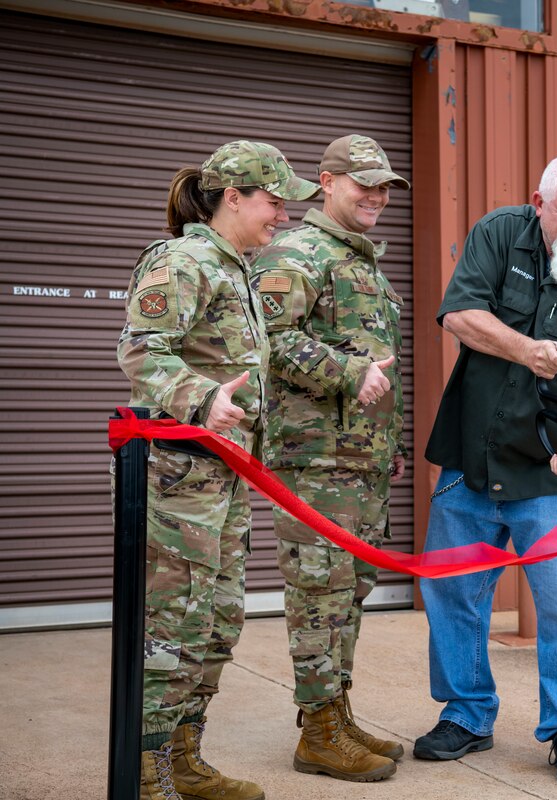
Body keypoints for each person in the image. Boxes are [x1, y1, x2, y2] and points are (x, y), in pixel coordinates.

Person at [415, 154, 557, 789]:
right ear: (539, 203)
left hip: (550, 474)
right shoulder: (498, 234)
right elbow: (459, 314)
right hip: (470, 458)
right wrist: (527, 351)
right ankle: (466, 715)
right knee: (453, 594)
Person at [118, 140, 319, 800]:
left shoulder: (237, 269)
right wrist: (205, 398)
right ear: (233, 196)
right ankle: (145, 770)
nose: (282, 216)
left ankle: (182, 754)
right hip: (181, 478)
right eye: (274, 201)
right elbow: (143, 350)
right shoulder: (182, 259)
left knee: (220, 619)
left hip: (227, 477)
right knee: (175, 624)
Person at [249, 134, 410, 783]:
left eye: (383, 186)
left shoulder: (362, 260)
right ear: (326, 182)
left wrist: (388, 445)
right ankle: (317, 733)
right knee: (319, 593)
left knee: (350, 593)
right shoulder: (295, 252)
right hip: (313, 461)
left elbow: (377, 360)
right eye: (363, 183)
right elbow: (268, 340)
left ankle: (335, 713)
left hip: (359, 461)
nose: (375, 196)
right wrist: (347, 373)